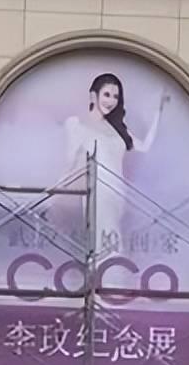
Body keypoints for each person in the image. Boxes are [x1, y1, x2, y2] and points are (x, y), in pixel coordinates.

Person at [63, 73, 169, 254]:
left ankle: (110, 268)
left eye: (115, 96)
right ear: (93, 96)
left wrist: (157, 112)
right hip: (97, 190)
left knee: (111, 236)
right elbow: (70, 160)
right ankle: (105, 269)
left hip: (117, 192)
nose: (111, 101)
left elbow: (144, 147)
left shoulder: (117, 129)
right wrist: (54, 192)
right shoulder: (76, 124)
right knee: (101, 239)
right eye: (106, 94)